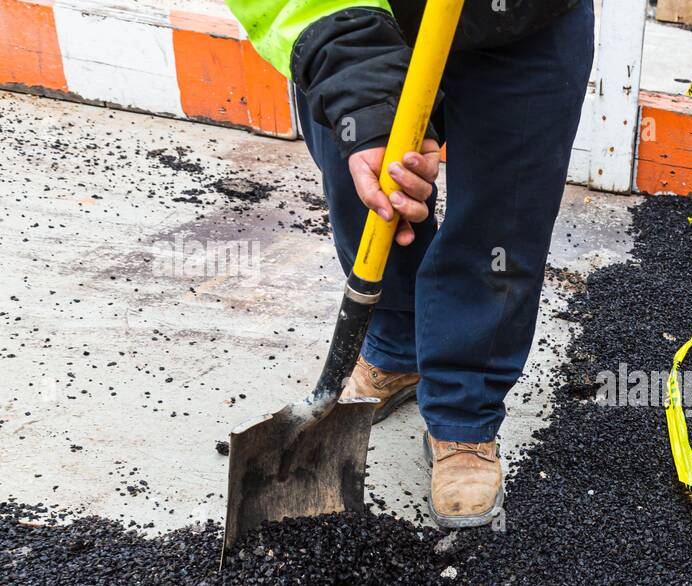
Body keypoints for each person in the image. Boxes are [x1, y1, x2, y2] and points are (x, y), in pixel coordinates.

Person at [227, 0, 594, 526]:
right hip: (358, 12)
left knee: (505, 215)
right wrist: (354, 68)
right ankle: (397, 349)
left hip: (525, 17)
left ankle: (464, 409)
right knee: (368, 191)